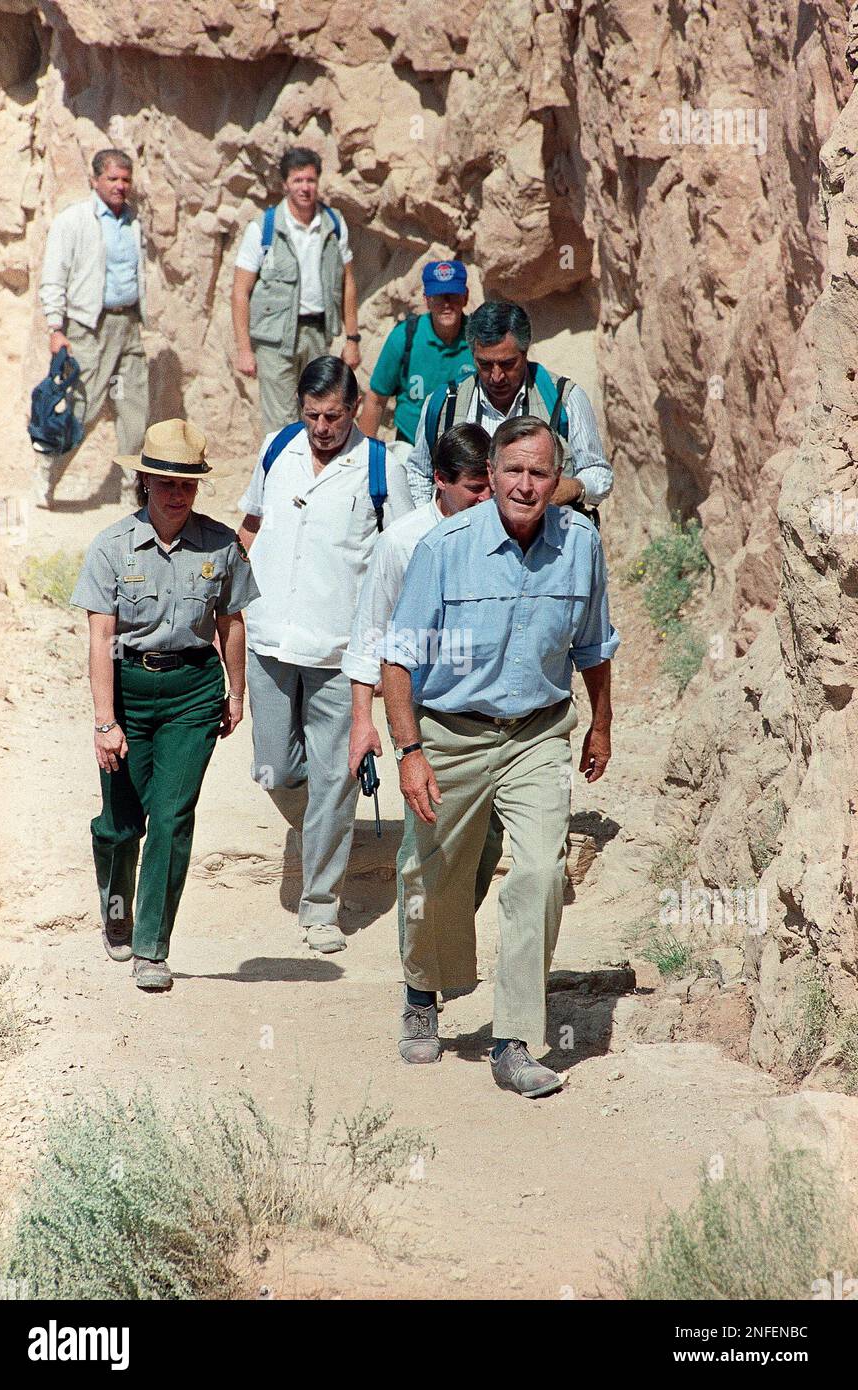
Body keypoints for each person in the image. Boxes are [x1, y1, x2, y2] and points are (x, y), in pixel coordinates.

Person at [381, 417, 619, 1097]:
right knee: (433, 873)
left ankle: (512, 1039)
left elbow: (595, 647)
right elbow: (399, 659)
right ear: (490, 473)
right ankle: (423, 995)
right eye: (513, 470)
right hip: (451, 732)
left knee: (541, 873)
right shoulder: (445, 548)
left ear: (557, 481)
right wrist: (409, 751)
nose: (525, 484)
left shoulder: (580, 546)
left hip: (538, 734)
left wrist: (601, 725)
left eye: (539, 473)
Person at [70, 419, 260, 991]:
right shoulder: (110, 547)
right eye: (166, 482)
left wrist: (235, 691)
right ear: (145, 482)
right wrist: (105, 722)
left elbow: (231, 620)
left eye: (188, 484)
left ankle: (153, 947)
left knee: (173, 817)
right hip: (128, 692)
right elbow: (101, 637)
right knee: (122, 822)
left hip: (192, 693)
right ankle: (117, 900)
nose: (177, 494)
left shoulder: (221, 544)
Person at [237, 356, 412, 955]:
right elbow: (251, 526)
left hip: (342, 651)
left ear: (355, 408)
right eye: (311, 415)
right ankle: (325, 824)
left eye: (332, 416)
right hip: (267, 638)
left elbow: (404, 561)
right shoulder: (275, 448)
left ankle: (320, 906)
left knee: (335, 778)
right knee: (275, 770)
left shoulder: (384, 468)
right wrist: (228, 606)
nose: (321, 428)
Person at [342, 422, 502, 960]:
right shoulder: (403, 543)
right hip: (428, 721)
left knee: (488, 850)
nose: (487, 498)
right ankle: (421, 985)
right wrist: (364, 722)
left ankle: (440, 942)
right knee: (427, 851)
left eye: (491, 485)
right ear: (438, 480)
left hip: (497, 721)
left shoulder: (508, 536)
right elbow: (371, 635)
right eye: (474, 488)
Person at [406, 300, 613, 517]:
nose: (496, 376)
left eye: (507, 364)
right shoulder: (444, 404)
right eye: (484, 365)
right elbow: (419, 472)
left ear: (525, 352)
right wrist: (432, 524)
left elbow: (599, 473)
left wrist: (574, 487)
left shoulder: (565, 399)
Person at [37, 148, 149, 509]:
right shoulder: (74, 221)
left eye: (125, 179)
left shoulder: (133, 221)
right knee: (83, 410)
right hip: (88, 326)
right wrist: (56, 328)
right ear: (95, 180)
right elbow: (53, 277)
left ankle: (132, 488)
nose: (120, 186)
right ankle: (47, 475)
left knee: (135, 410)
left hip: (128, 323)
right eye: (112, 178)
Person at [231, 147, 361, 435]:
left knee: (317, 416)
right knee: (281, 424)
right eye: (298, 180)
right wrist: (244, 349)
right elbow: (241, 291)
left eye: (311, 180)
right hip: (274, 339)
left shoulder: (334, 224)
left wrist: (352, 339)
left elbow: (347, 281)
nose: (305, 187)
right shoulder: (263, 228)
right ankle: (279, 477)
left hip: (317, 333)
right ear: (285, 184)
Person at [356, 261, 473, 444]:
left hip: (461, 448)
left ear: (465, 297)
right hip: (410, 443)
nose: (446, 305)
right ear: (426, 300)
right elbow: (376, 399)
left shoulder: (478, 339)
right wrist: (364, 458)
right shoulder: (404, 337)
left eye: (453, 296)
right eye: (438, 297)